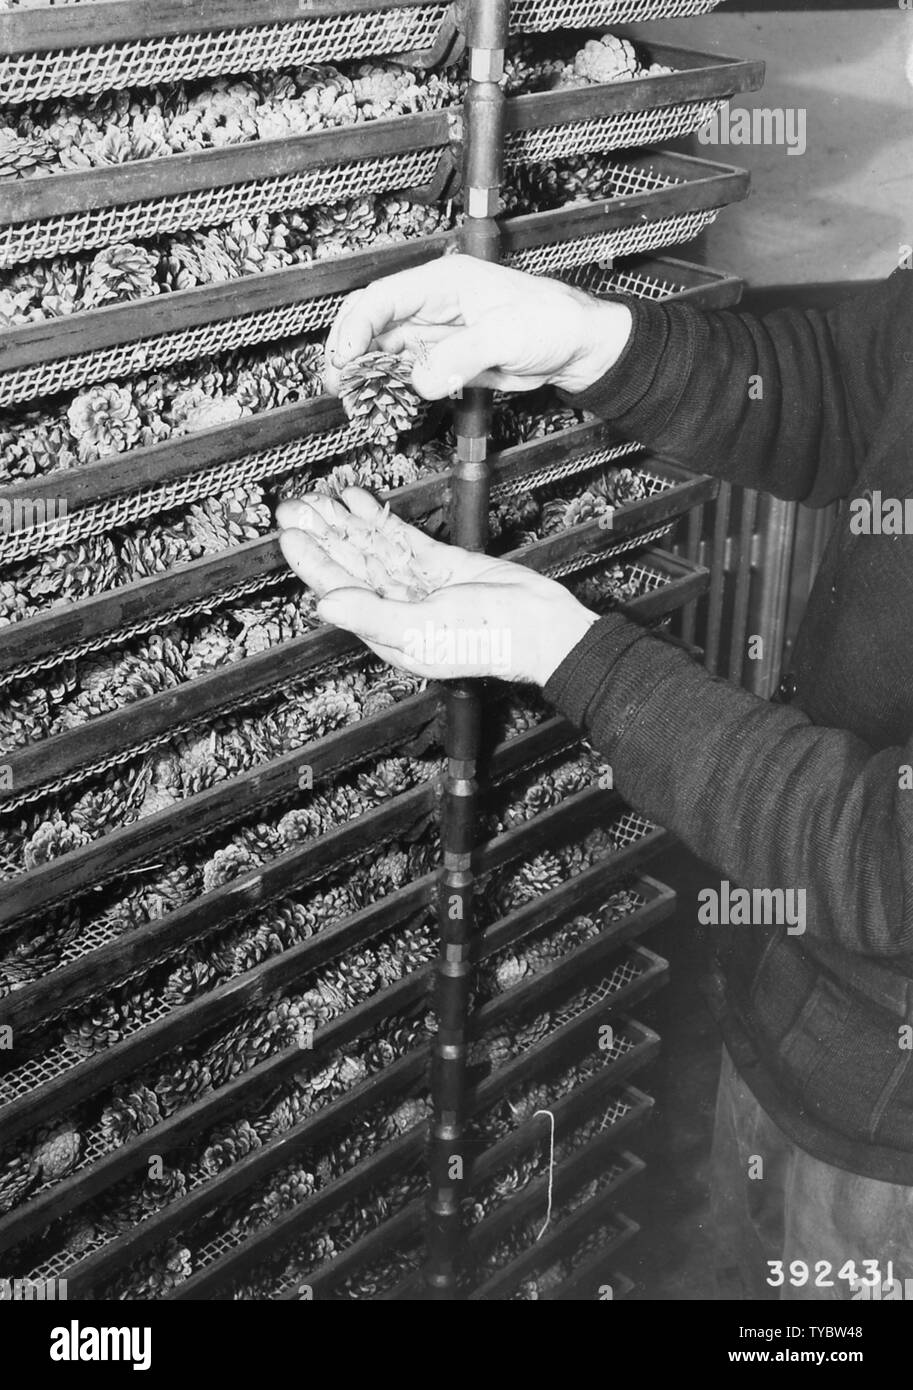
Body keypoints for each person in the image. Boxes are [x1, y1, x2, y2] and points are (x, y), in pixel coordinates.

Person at [277, 252, 913, 1301]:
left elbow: (890, 861)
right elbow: (859, 387)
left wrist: (572, 653)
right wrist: (591, 339)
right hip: (795, 990)